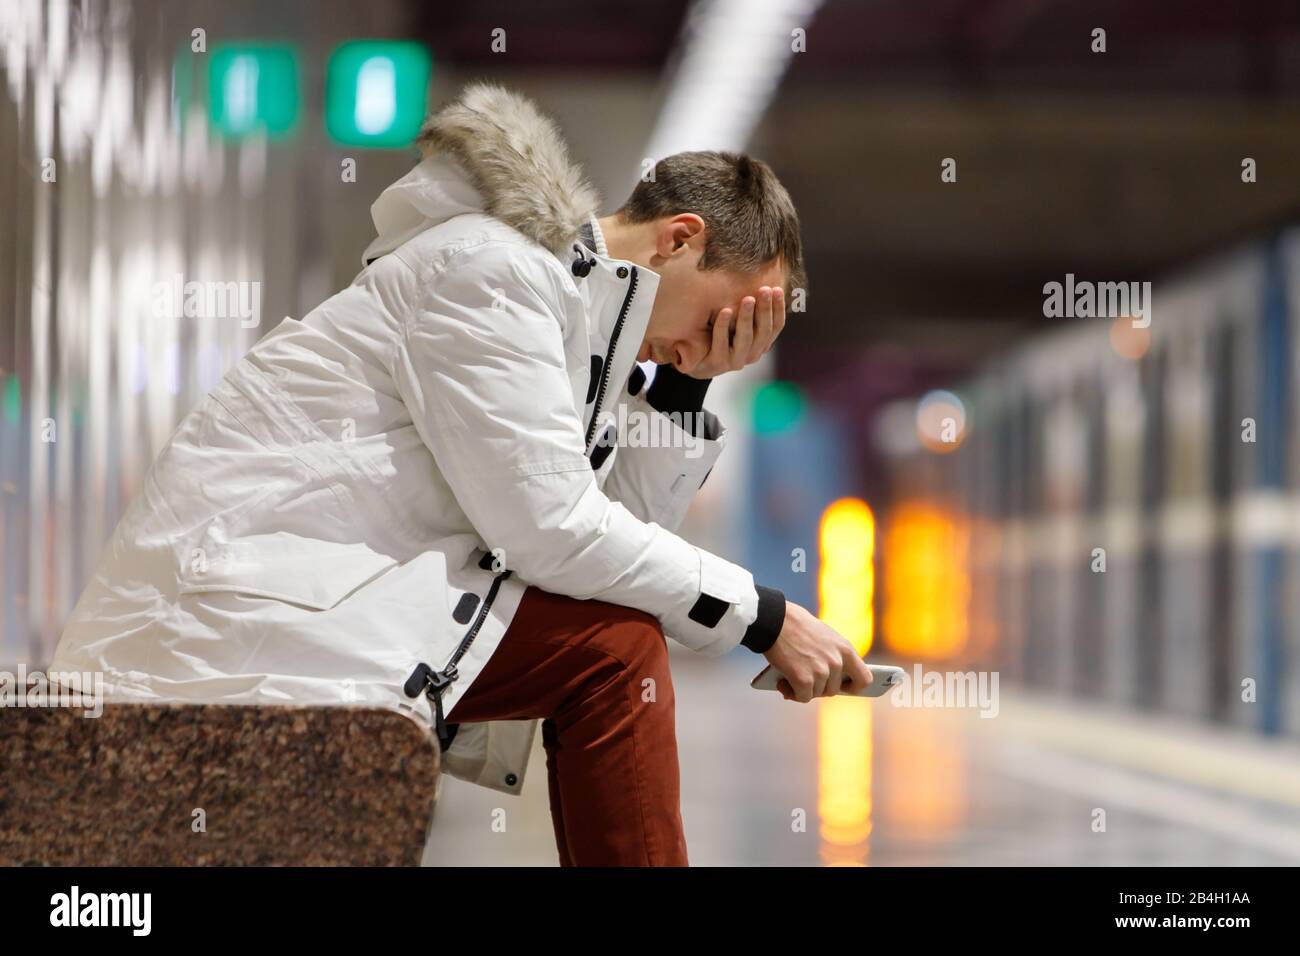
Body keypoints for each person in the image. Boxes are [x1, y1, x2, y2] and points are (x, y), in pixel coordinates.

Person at [50, 82, 872, 866]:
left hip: (299, 600)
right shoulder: (494, 276)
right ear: (680, 237)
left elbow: (609, 555)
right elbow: (553, 533)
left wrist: (689, 383)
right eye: (722, 320)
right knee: (614, 657)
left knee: (614, 644)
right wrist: (765, 618)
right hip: (213, 625)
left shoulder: (574, 334)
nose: (715, 344)